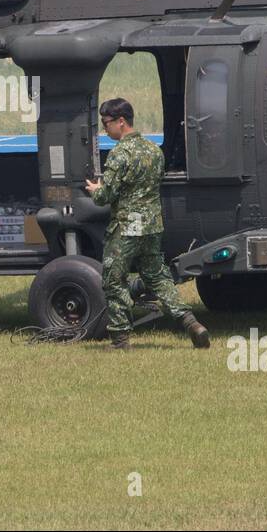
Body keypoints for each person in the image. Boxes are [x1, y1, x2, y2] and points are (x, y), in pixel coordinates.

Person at [84, 98, 209, 351]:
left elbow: (104, 197)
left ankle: (120, 339)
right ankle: (191, 323)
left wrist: (95, 189)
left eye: (106, 123)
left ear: (121, 121)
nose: (104, 129)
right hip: (152, 226)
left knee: (113, 279)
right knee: (159, 278)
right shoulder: (155, 151)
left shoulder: (120, 154)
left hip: (126, 227)